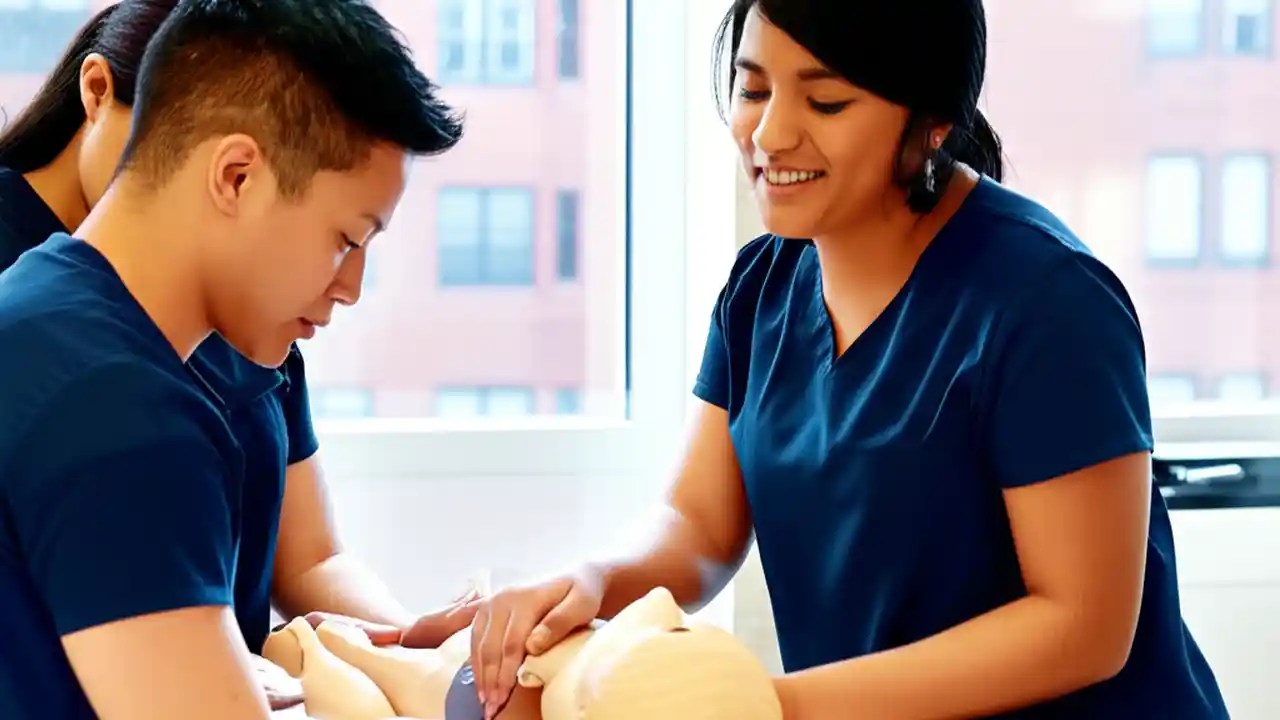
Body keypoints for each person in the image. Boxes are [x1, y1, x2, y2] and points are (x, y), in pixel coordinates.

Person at [466, 2, 1230, 719]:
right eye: (753, 88)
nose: (769, 134)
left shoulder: (1047, 301)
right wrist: (592, 582)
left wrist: (766, 704)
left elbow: (1081, 626)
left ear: (931, 121)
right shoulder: (761, 287)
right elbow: (697, 527)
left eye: (825, 103)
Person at [0, 0, 472, 717]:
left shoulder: (38, 306)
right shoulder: (123, 409)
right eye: (347, 239)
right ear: (237, 176)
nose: (350, 288)